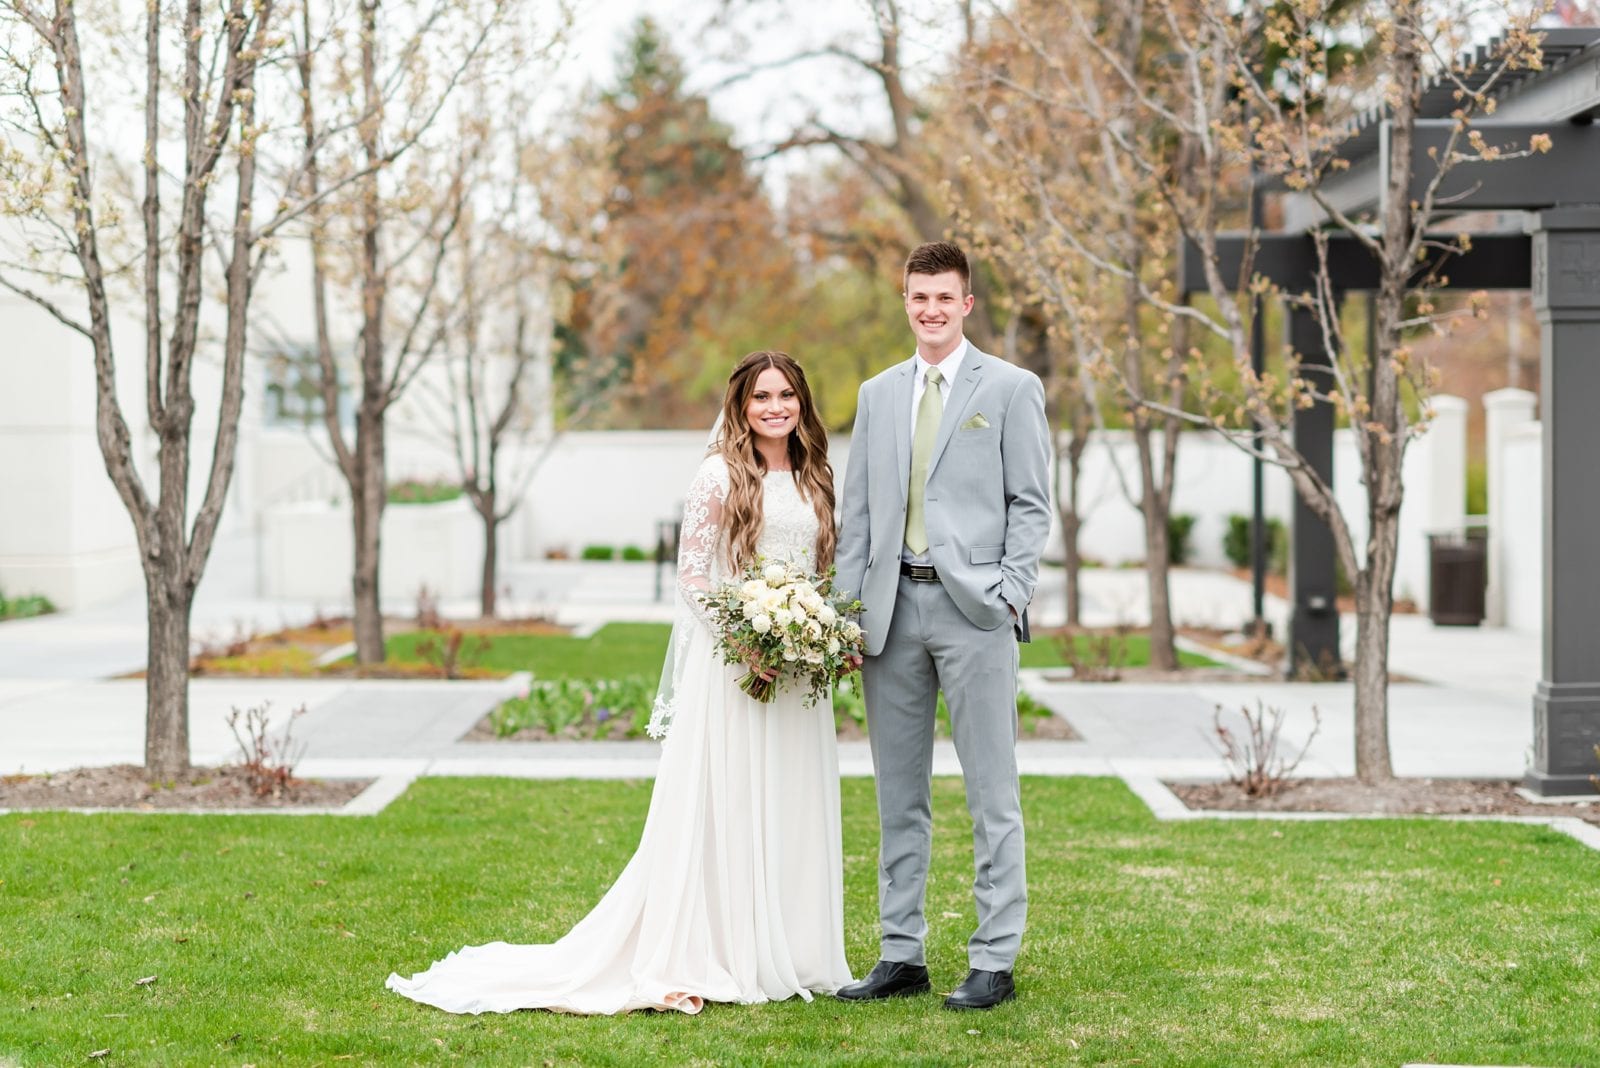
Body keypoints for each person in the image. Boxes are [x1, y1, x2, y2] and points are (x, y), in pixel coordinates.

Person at [386, 351, 853, 1015]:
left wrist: (812, 634)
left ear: (803, 403)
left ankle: (793, 951)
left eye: (786, 396)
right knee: (728, 808)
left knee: (790, 800)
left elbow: (819, 569)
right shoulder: (717, 474)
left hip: (796, 677)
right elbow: (694, 579)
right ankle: (718, 950)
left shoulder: (815, 475)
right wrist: (747, 645)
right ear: (741, 407)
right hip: (736, 673)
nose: (775, 408)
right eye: (761, 398)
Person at [833, 241, 1051, 1011]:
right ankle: (901, 954)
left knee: (992, 791)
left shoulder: (1013, 388)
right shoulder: (877, 393)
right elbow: (857, 514)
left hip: (974, 614)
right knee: (899, 795)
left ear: (966, 303)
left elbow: (1032, 503)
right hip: (892, 614)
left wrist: (1010, 591)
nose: (930, 309)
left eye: (943, 297)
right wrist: (846, 615)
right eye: (917, 297)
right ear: (907, 303)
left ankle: (994, 957)